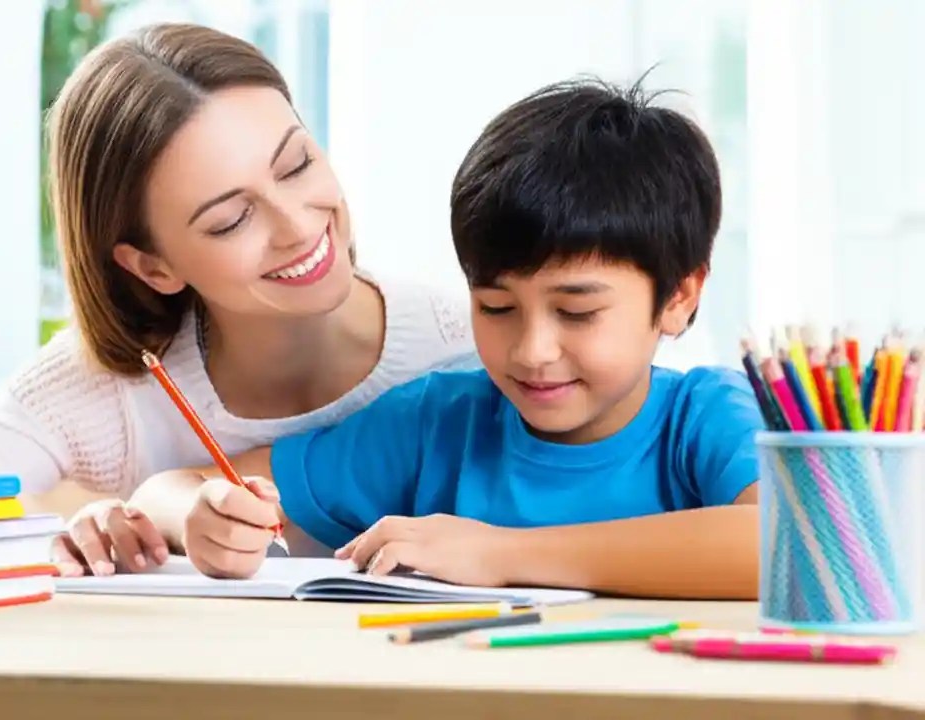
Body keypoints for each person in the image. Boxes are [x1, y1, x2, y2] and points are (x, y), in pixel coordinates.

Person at [127, 77, 765, 600]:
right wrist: (202, 516)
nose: (531, 350)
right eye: (496, 306)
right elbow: (169, 490)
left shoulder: (704, 418)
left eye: (576, 313)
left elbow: (787, 541)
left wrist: (500, 554)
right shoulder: (438, 424)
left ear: (678, 297)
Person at [0, 23, 477, 577]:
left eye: (297, 164)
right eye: (230, 219)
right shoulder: (110, 385)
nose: (297, 225)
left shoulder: (472, 341)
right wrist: (57, 543)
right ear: (154, 266)